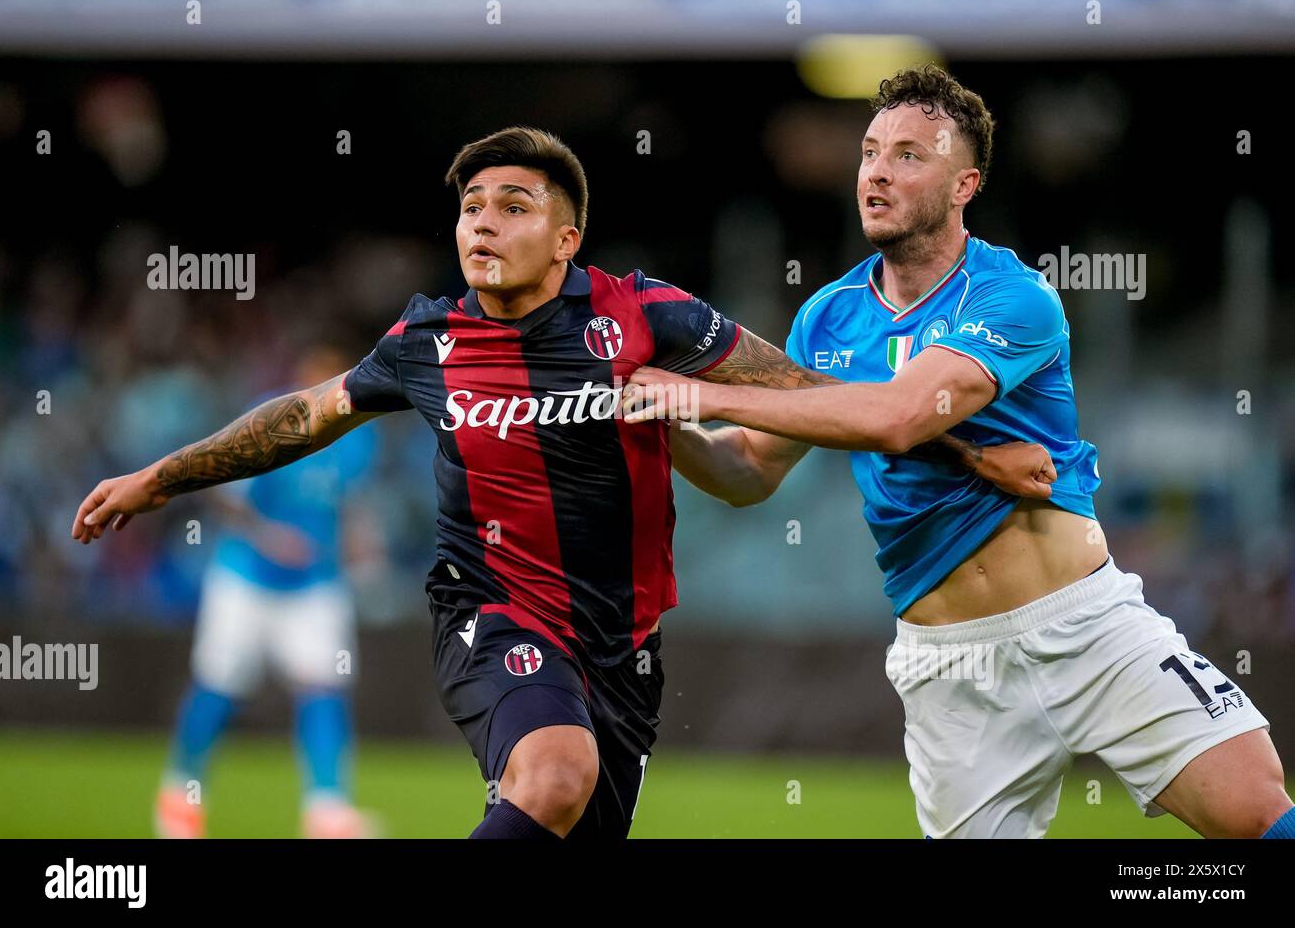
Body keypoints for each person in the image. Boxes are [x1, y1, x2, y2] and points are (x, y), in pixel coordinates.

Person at [74, 126, 1051, 839]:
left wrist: (967, 458)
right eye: (469, 208)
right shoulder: (427, 341)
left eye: (513, 206)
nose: (482, 224)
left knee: (564, 804)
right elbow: (304, 416)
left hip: (621, 649)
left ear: (567, 238)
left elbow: (816, 395)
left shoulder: (646, 318)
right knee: (552, 776)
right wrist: (162, 477)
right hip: (489, 615)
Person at [627, 66, 1294, 839]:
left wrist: (697, 391)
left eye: (910, 154)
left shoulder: (1013, 296)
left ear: (964, 183)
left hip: (1084, 627)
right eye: (871, 151)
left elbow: (902, 414)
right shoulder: (827, 318)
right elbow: (746, 472)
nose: (877, 169)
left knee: (1258, 811)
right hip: (950, 669)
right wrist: (663, 426)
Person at [154, 344, 379, 838]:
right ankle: (180, 793)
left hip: (316, 584)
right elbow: (224, 496)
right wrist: (269, 537)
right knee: (218, 685)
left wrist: (361, 541)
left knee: (325, 686)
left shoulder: (360, 434)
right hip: (246, 580)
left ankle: (326, 808)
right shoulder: (274, 422)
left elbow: (351, 500)